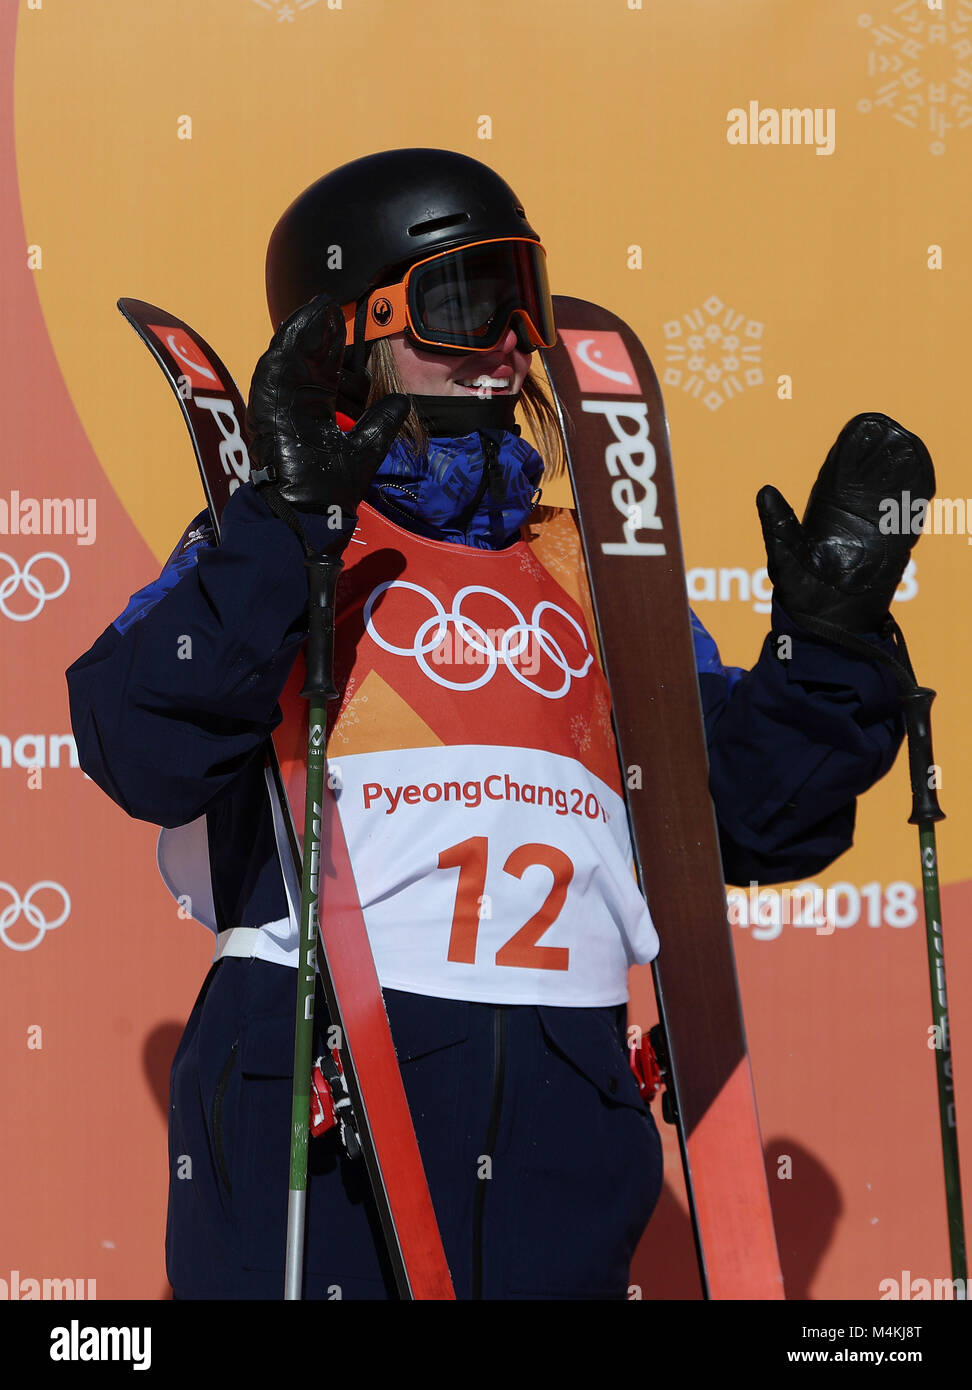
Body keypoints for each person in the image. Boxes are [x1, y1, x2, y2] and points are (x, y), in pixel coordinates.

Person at [66, 148, 932, 1300]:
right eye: (465, 302)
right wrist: (286, 527)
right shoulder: (279, 551)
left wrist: (827, 648)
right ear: (356, 333)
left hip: (563, 1110)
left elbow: (743, 815)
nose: (511, 342)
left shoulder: (593, 567)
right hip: (320, 1092)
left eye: (519, 299)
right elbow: (141, 738)